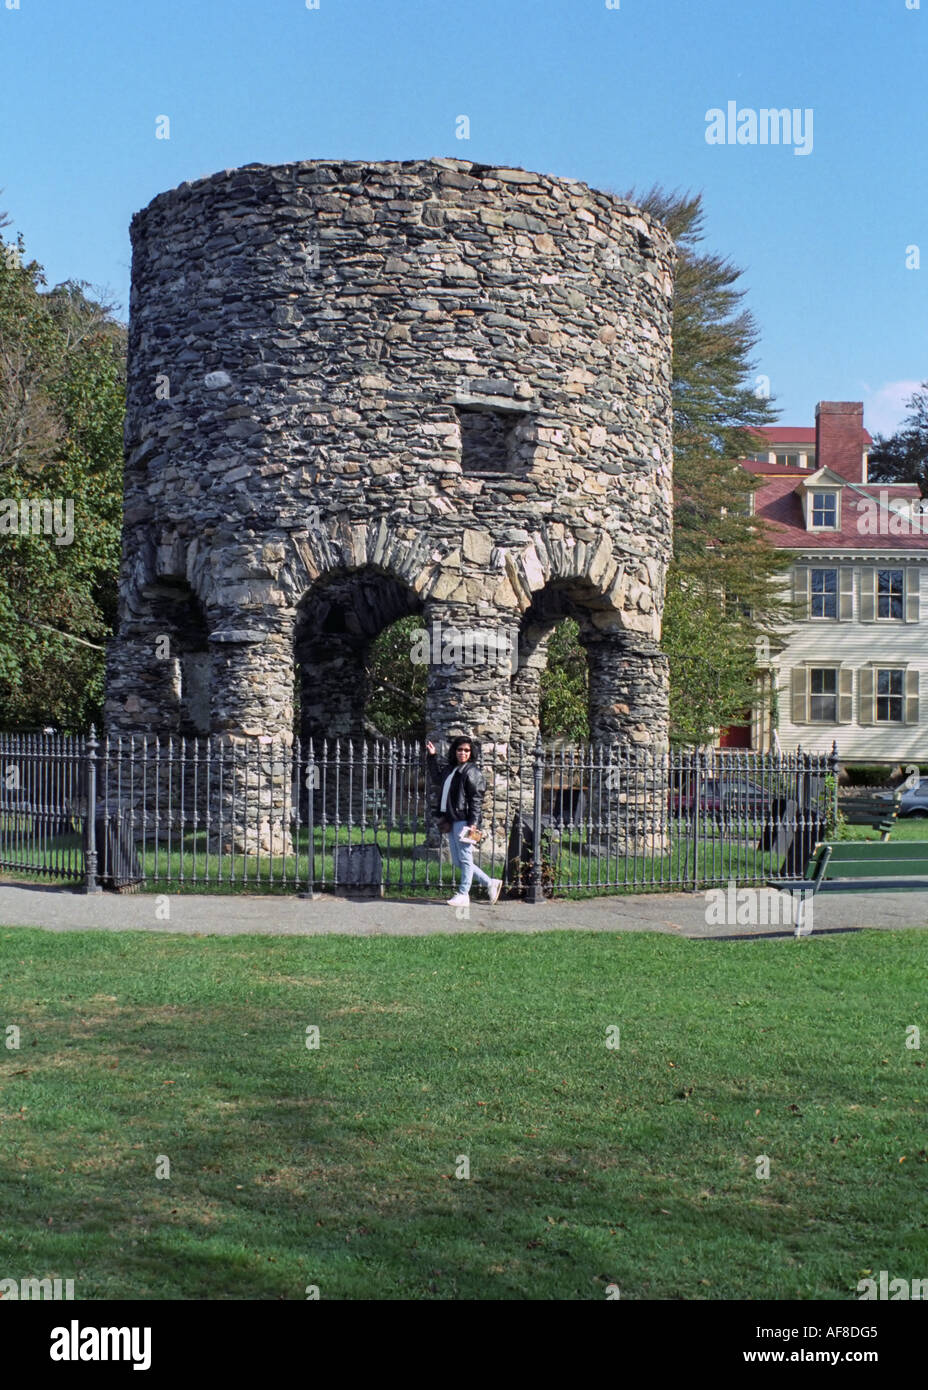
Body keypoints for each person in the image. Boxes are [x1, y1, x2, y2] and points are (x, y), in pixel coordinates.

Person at [425, 735, 502, 907]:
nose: (463, 753)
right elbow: (437, 779)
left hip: (464, 820)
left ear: (471, 752)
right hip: (452, 819)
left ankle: (463, 894)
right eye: (460, 749)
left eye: (466, 750)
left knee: (465, 858)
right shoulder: (451, 769)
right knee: (459, 861)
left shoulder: (472, 772)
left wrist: (472, 823)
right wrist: (432, 756)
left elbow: (476, 800)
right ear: (455, 751)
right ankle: (490, 883)